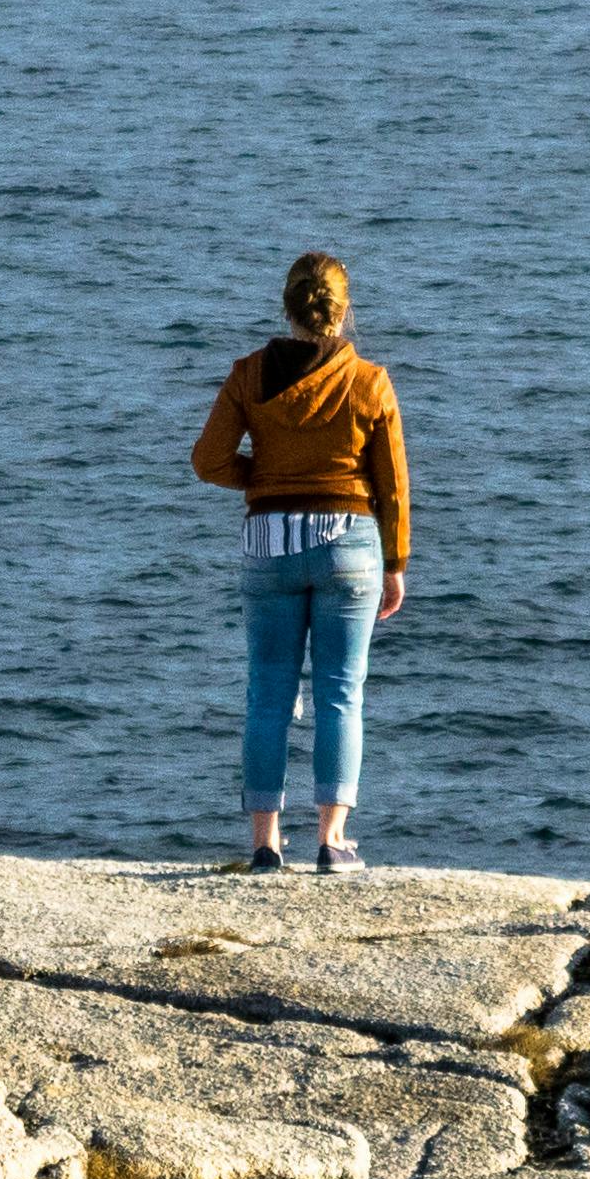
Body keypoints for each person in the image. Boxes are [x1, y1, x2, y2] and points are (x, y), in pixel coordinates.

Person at [190, 249, 410, 873]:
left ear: (287, 307)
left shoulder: (247, 375)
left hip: (268, 542)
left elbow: (207, 461)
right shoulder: (369, 381)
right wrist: (396, 562)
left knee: (268, 692)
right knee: (341, 692)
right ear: (343, 312)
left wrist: (264, 479)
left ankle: (265, 844)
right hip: (350, 545)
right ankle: (332, 841)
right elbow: (391, 484)